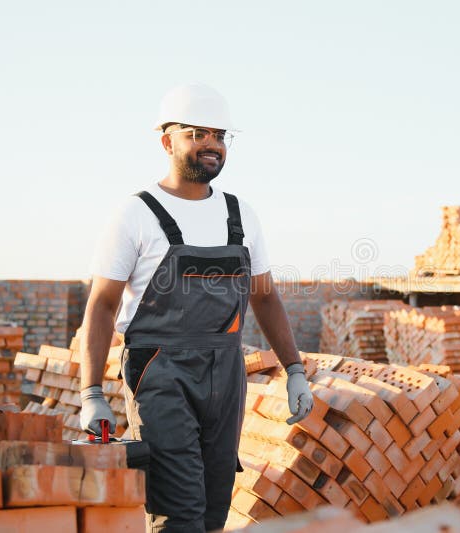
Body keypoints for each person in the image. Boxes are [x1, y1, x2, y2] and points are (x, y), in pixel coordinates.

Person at [79, 83, 314, 532]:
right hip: (160, 371)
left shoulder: (239, 214)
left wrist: (295, 369)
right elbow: (102, 305)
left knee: (213, 509)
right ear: (167, 141)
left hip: (226, 370)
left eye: (220, 136)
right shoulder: (136, 213)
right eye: (197, 134)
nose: (212, 145)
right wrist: (91, 393)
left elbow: (264, 296)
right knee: (178, 512)